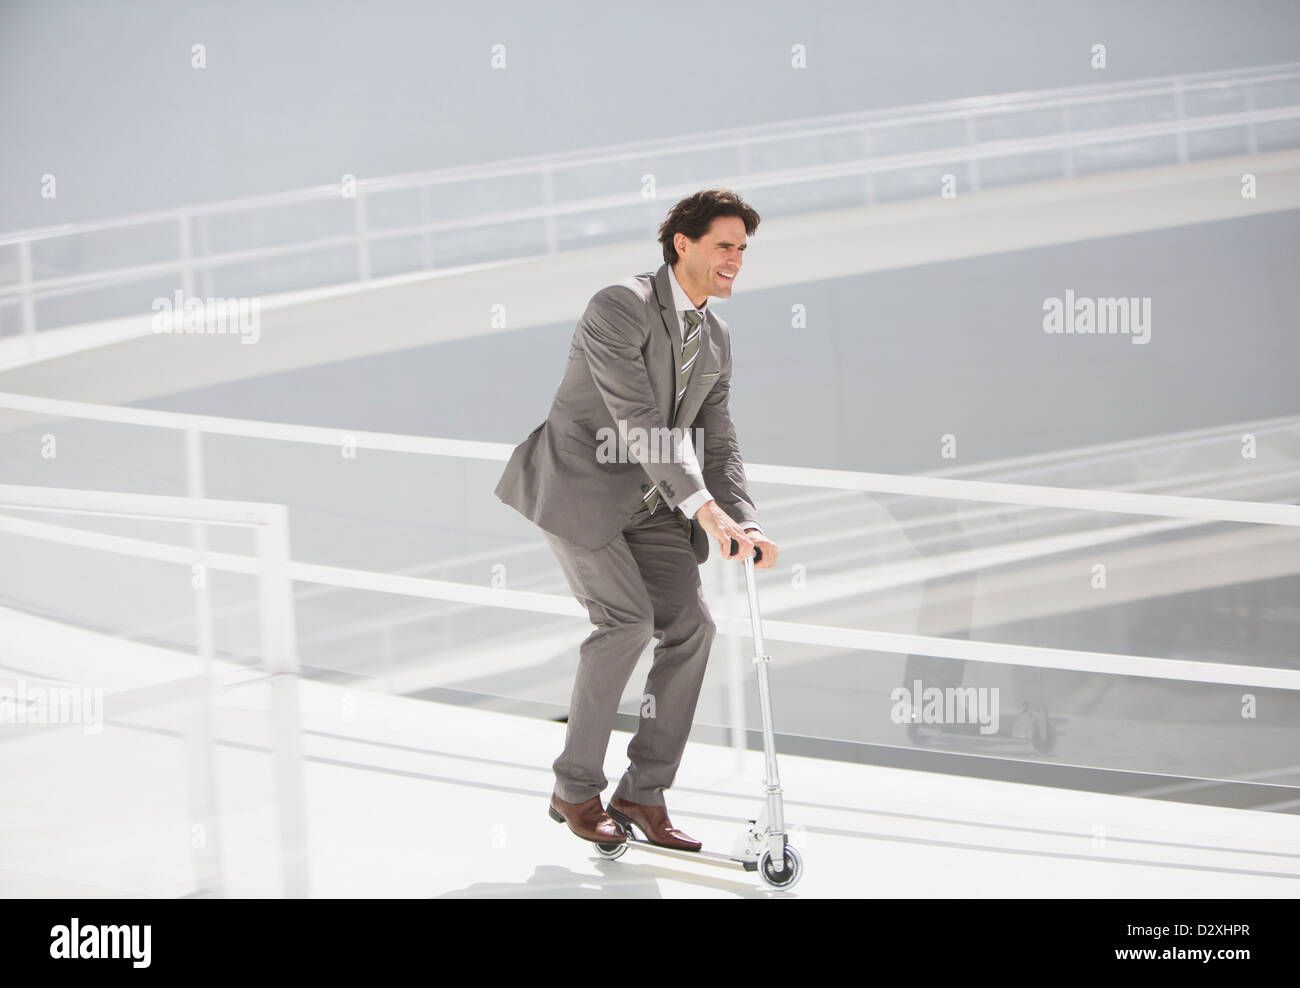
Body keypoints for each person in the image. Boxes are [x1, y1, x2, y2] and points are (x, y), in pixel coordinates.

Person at [494, 188, 777, 851]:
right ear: (683, 243)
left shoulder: (716, 337)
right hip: (581, 491)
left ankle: (642, 793)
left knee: (693, 628)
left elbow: (721, 440)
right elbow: (637, 421)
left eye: (742, 249)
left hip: (653, 507)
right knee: (625, 622)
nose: (735, 260)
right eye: (723, 246)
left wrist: (746, 520)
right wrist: (702, 508)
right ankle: (573, 788)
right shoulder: (618, 305)